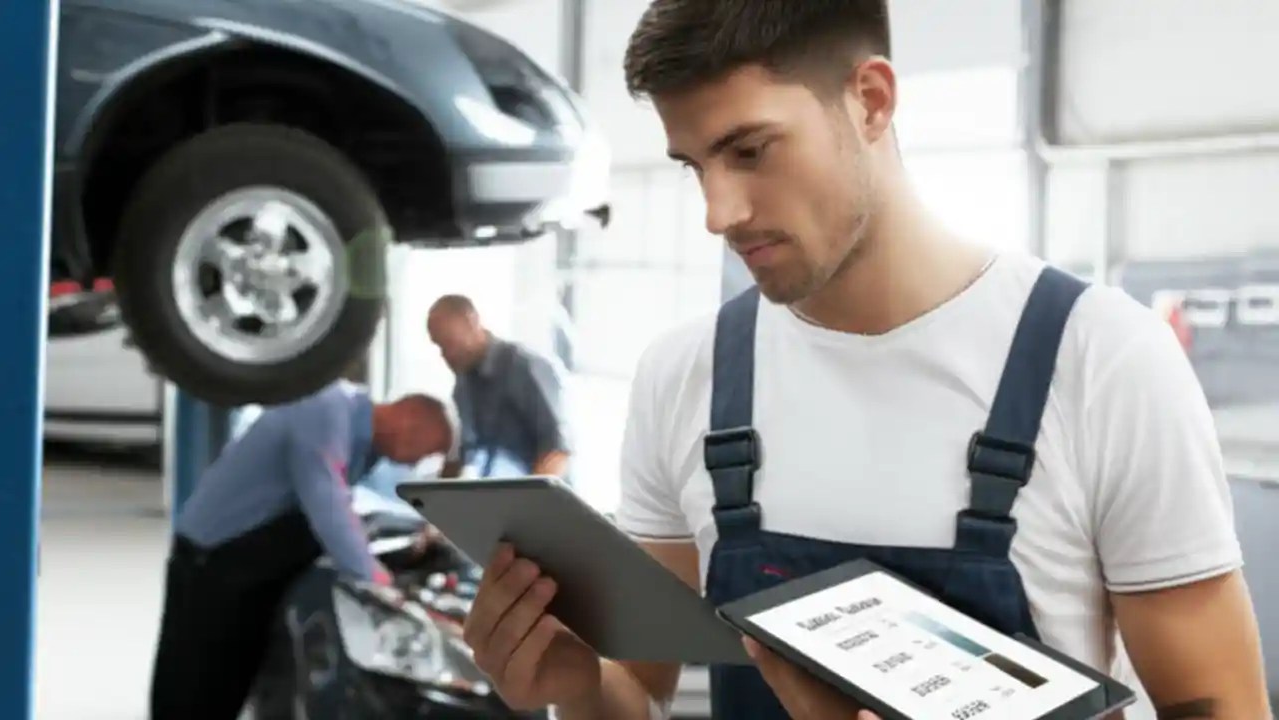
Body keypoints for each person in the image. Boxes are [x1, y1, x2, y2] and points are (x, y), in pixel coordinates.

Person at [457, 2, 1272, 720]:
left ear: (871, 100)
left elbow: (1222, 708)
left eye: (750, 150)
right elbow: (637, 694)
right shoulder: (685, 377)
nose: (718, 212)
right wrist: (576, 686)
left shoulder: (1102, 361)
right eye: (694, 165)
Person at [149, 381, 455, 720]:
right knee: (192, 690)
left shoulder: (361, 440)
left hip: (250, 566)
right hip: (214, 561)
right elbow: (330, 511)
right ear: (409, 419)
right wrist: (382, 584)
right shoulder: (326, 410)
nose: (416, 462)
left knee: (230, 686)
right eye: (425, 451)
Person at [426, 293, 572, 481]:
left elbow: (558, 451)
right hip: (494, 495)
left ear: (472, 322)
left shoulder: (525, 367)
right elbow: (463, 455)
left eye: (449, 343)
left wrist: (527, 502)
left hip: (539, 498)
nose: (445, 355)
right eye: (439, 347)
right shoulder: (463, 385)